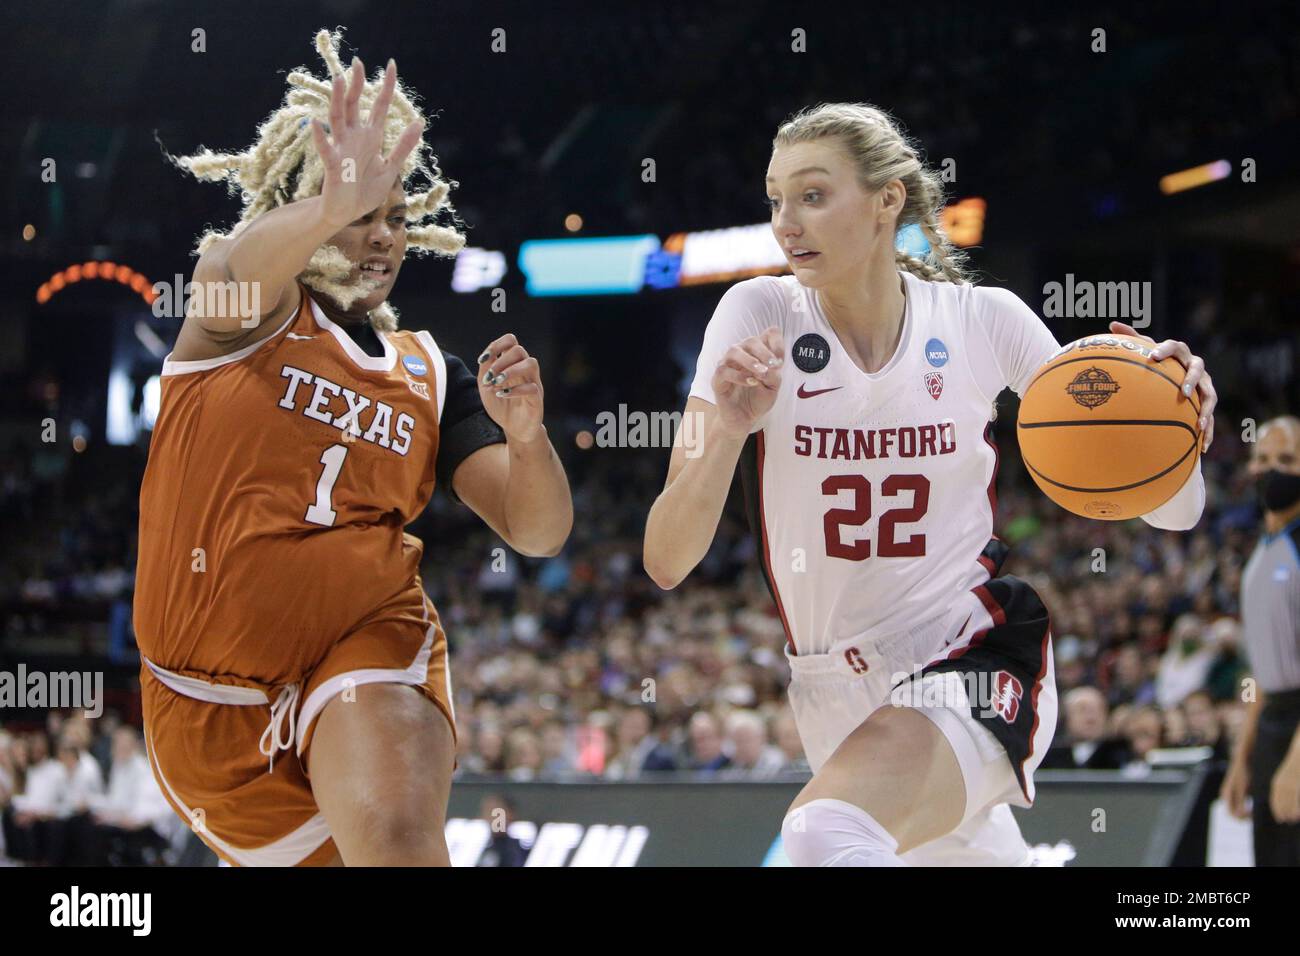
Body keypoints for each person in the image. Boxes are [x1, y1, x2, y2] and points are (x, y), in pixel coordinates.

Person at [644, 102, 1215, 866]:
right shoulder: (754, 313)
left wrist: (1179, 429)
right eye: (776, 199)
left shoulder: (983, 320)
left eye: (813, 195)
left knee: (821, 836)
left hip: (970, 655)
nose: (787, 222)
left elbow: (1173, 511)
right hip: (828, 690)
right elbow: (666, 558)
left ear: (889, 199)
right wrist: (729, 434)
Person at [134, 30, 572, 866]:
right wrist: (333, 203)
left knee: (399, 838)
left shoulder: (426, 370)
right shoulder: (245, 315)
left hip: (364, 641)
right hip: (200, 709)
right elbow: (224, 271)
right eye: (361, 216)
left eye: (396, 220)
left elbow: (540, 532)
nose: (382, 238)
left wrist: (529, 441)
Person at [1221, 415, 1300, 865]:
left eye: (1286, 459)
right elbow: (1260, 671)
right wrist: (1242, 758)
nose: (1272, 469)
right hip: (1271, 723)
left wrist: (1295, 763)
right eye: (1263, 459)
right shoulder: (1262, 550)